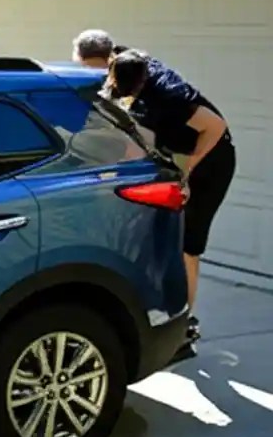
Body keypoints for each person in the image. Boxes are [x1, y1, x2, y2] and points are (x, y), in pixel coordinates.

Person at [72, 30, 237, 360]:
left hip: (207, 160)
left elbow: (215, 126)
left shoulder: (164, 89)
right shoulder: (114, 76)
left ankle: (184, 330)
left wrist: (186, 170)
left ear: (109, 60)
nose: (92, 77)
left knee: (186, 246)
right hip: (169, 157)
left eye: (95, 70)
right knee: (154, 239)